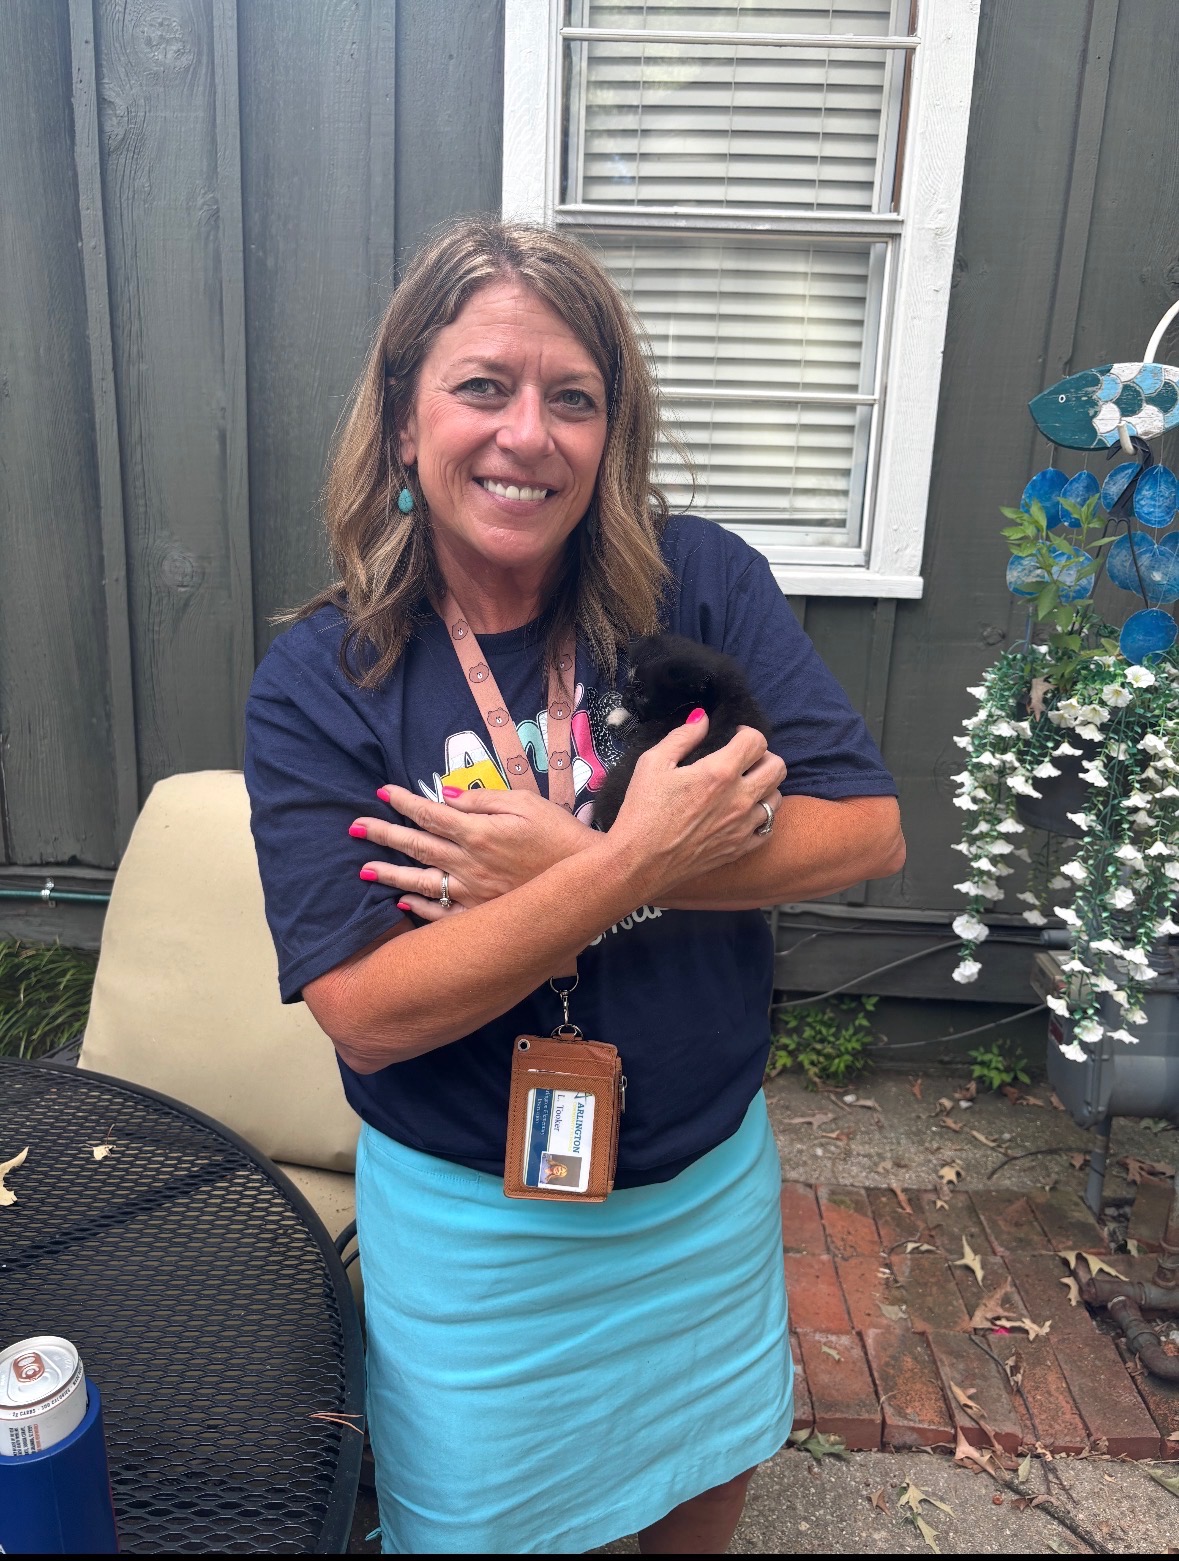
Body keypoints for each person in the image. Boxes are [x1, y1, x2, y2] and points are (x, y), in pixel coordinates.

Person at [244, 215, 904, 1555]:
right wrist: (628, 863)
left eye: (573, 399)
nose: (527, 435)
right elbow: (368, 1011)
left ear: (613, 432)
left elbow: (866, 832)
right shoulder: (328, 676)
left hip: (699, 1186)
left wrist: (582, 868)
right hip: (475, 1232)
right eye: (483, 386)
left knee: (700, 1482)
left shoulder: (700, 583)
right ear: (405, 418)